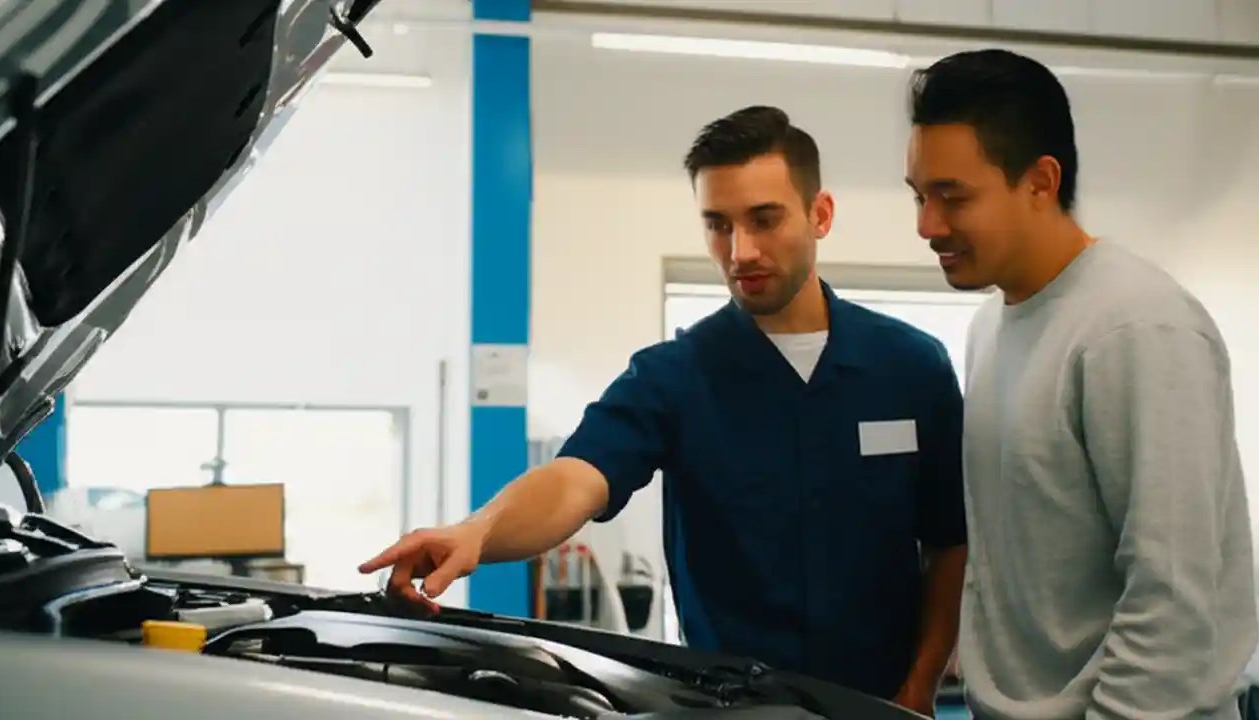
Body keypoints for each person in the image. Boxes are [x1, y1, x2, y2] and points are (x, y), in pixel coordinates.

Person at [361, 105, 968, 715]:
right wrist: (480, 530)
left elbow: (947, 543)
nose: (741, 251)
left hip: (881, 706)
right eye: (718, 224)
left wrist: (920, 688)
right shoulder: (674, 377)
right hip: (732, 708)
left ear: (821, 215)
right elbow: (576, 479)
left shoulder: (910, 368)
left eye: (764, 219)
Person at [905, 48, 1258, 720]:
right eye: (919, 195)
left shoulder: (1138, 328)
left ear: (1040, 181)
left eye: (952, 196)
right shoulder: (991, 327)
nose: (926, 225)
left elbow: (1173, 601)